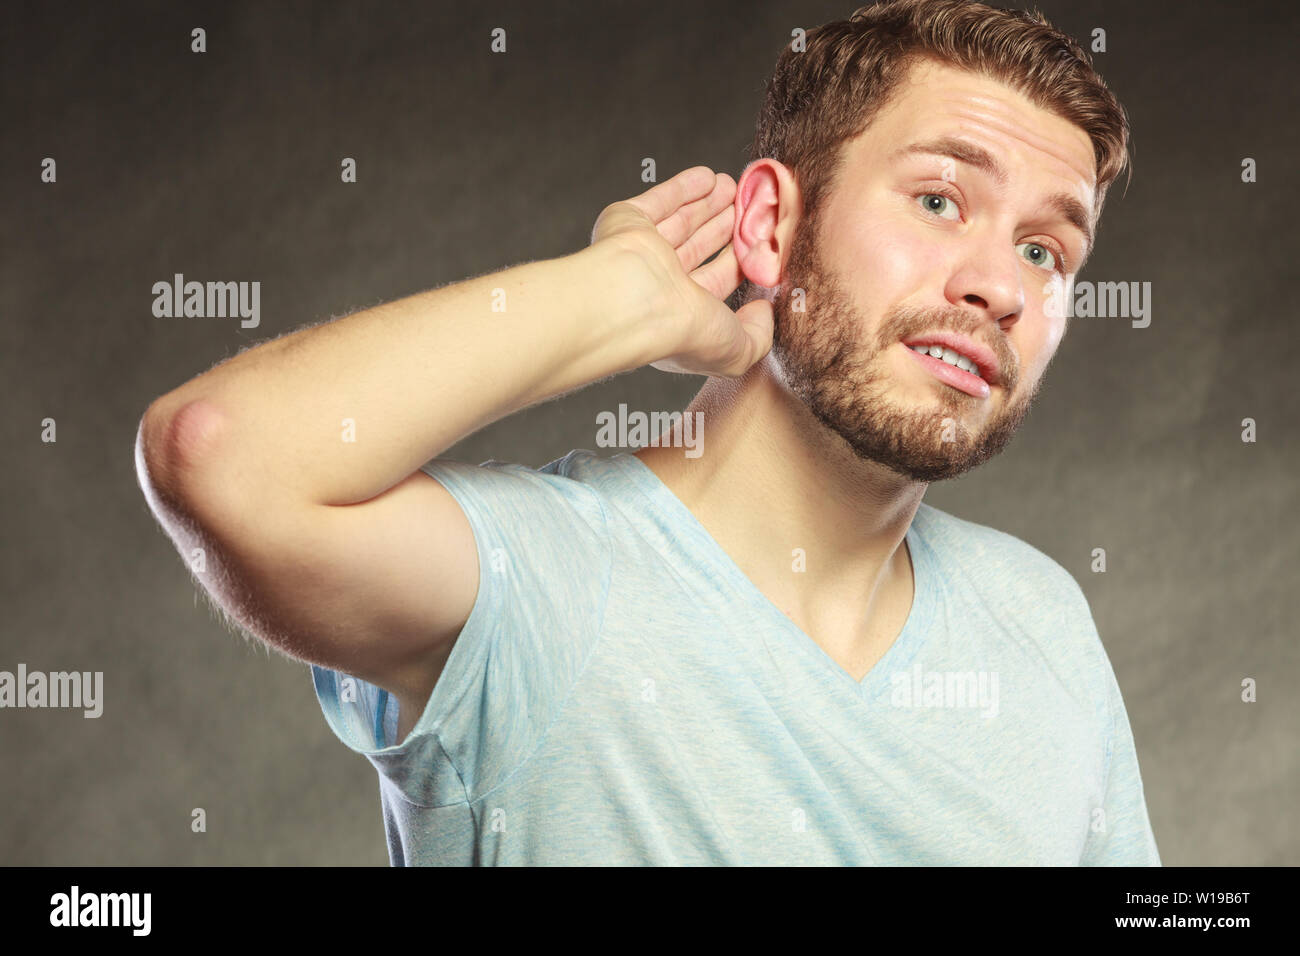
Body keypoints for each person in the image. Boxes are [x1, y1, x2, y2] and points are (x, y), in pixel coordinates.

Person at [135, 0, 1160, 865]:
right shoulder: (538, 584)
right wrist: (619, 296)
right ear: (769, 227)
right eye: (938, 199)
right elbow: (219, 452)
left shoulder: (1041, 620)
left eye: (1044, 250)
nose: (999, 287)